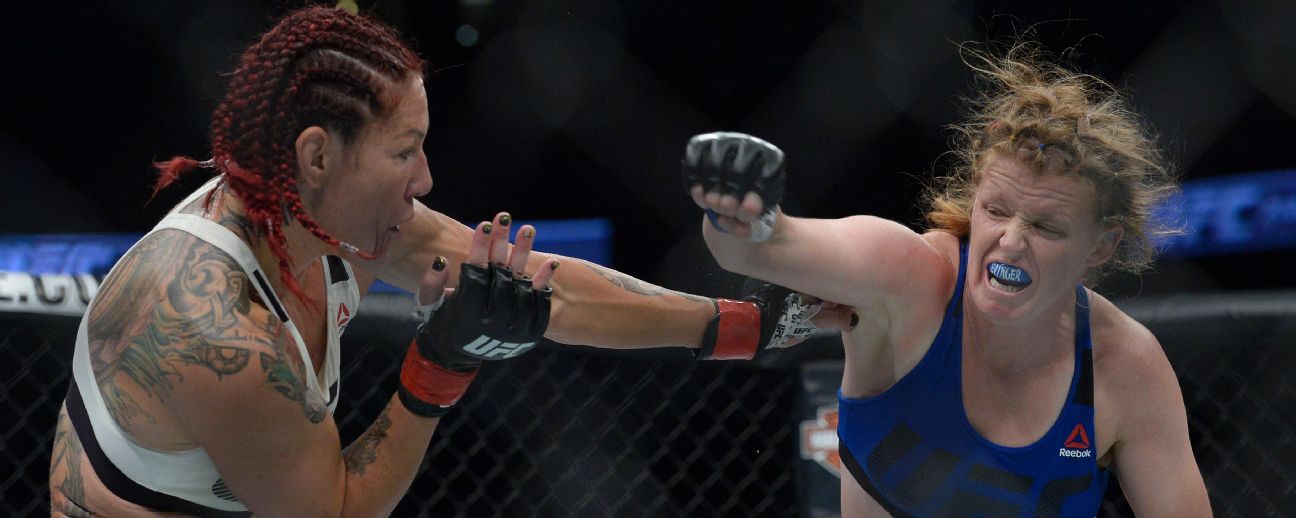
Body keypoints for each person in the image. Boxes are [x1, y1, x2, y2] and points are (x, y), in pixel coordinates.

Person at [46, 6, 853, 517]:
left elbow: (550, 290)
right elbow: (338, 512)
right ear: (318, 156)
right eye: (405, 150)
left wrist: (743, 324)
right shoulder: (211, 328)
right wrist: (437, 368)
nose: (427, 179)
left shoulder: (330, 217)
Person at [683, 41, 1211, 516]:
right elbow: (763, 248)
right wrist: (741, 214)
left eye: (1046, 227)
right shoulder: (911, 278)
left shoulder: (1126, 366)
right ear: (975, 194)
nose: (1011, 240)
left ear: (1101, 245)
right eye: (995, 210)